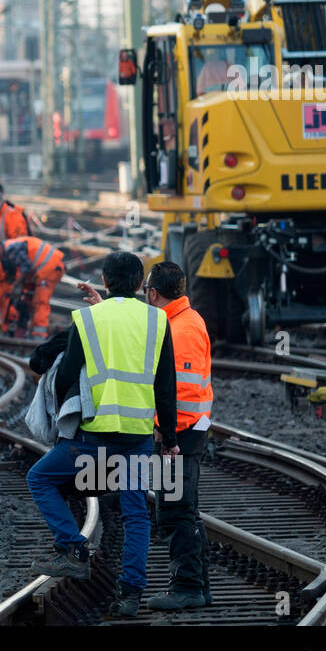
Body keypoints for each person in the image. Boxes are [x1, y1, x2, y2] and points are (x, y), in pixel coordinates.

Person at [25, 251, 179, 618]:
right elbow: (166, 386)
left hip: (92, 438)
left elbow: (65, 376)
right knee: (136, 514)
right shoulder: (158, 321)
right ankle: (129, 594)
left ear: (105, 282)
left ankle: (74, 548)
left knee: (40, 478)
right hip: (137, 437)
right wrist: (169, 438)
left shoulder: (87, 319)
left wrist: (62, 415)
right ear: (141, 284)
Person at [142, 261, 214, 610]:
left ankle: (187, 588)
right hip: (184, 432)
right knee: (185, 509)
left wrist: (167, 437)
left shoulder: (180, 330)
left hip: (180, 434)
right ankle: (198, 586)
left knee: (177, 510)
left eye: (146, 292)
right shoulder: (183, 319)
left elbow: (181, 394)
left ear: (154, 293)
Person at [0, 235, 66, 339]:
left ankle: (39, 335)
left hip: (50, 269)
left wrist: (17, 285)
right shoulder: (10, 246)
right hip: (39, 271)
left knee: (40, 302)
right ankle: (23, 329)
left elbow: (26, 268)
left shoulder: (12, 249)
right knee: (26, 301)